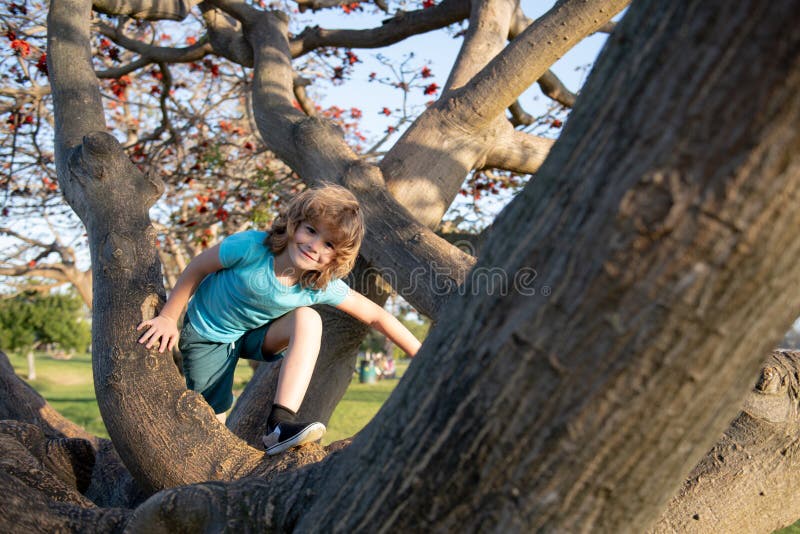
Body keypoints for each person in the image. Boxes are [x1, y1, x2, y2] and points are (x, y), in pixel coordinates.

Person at [136, 184, 421, 455]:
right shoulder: (250, 247)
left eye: (329, 244)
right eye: (311, 230)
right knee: (213, 419)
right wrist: (169, 317)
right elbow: (197, 267)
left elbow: (376, 315)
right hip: (209, 333)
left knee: (309, 319)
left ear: (338, 256)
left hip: (253, 334)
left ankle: (279, 424)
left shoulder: (318, 283)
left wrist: (422, 356)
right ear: (294, 223)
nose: (314, 246)